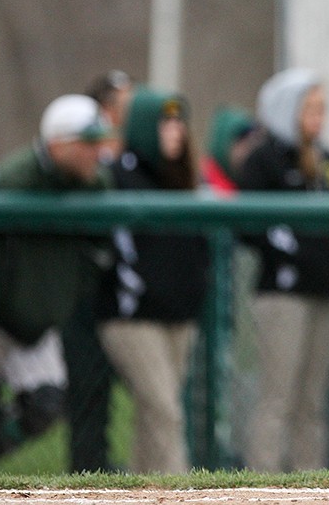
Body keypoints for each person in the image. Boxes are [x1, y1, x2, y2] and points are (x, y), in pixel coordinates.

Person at [0, 94, 113, 472]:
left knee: (46, 405)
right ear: (58, 144)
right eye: (87, 143)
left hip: (34, 322)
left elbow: (95, 259)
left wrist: (55, 300)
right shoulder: (15, 179)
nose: (97, 152)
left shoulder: (97, 186)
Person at [235, 67, 329, 472]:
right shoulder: (262, 160)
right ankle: (263, 480)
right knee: (278, 396)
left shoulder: (324, 158)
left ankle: (311, 481)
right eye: (310, 109)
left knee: (312, 399)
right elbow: (249, 228)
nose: (318, 118)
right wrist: (292, 254)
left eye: (322, 109)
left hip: (325, 292)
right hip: (282, 296)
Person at [95, 88, 208, 473]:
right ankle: (183, 493)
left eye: (179, 123)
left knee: (155, 415)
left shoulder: (183, 179)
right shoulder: (117, 176)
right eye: (166, 123)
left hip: (179, 315)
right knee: (165, 411)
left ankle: (141, 490)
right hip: (131, 317)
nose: (177, 131)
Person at [60, 69, 135, 473]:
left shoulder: (131, 155)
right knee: (86, 391)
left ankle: (104, 465)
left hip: (121, 291)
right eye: (124, 105)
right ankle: (87, 471)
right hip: (83, 289)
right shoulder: (86, 154)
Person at [200, 105, 258, 195]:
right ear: (222, 145)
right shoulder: (201, 189)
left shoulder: (253, 182)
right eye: (240, 141)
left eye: (250, 142)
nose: (246, 149)